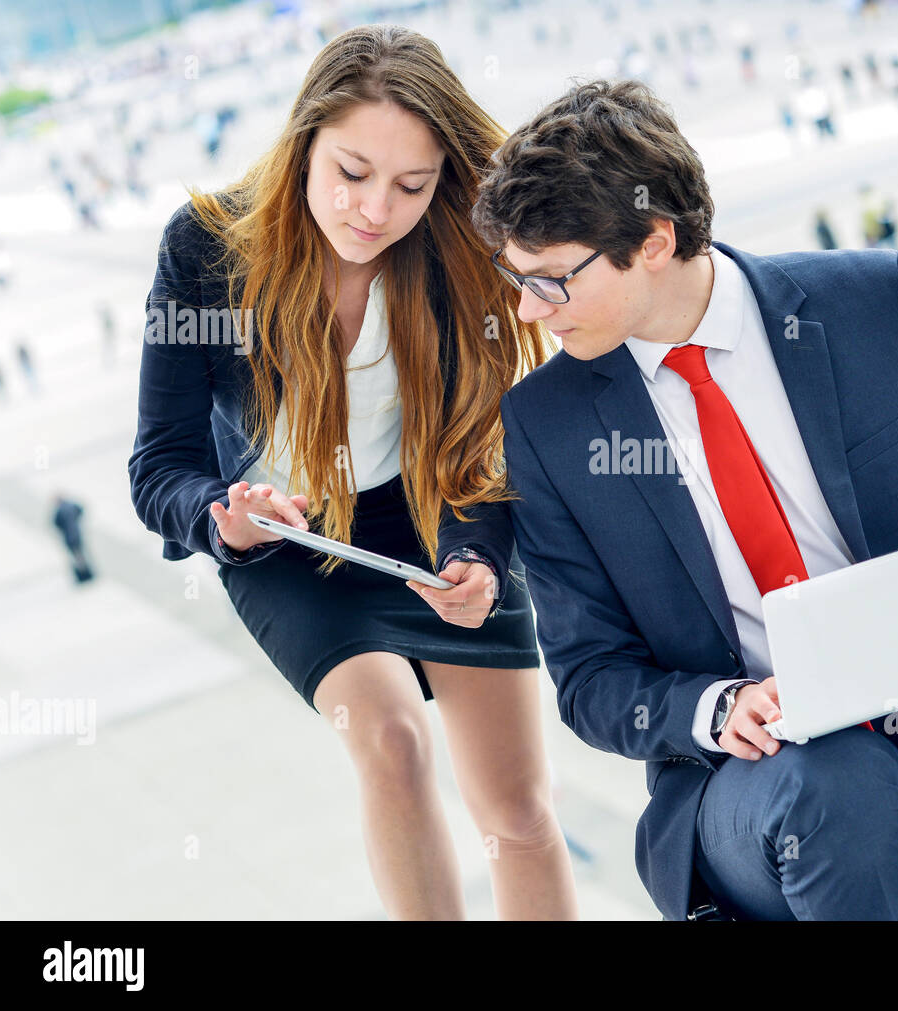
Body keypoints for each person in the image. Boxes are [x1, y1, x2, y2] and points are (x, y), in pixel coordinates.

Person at [472, 80, 898, 921]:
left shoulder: (874, 303)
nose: (530, 311)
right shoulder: (548, 425)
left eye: (552, 280)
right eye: (516, 278)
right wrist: (720, 708)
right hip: (749, 773)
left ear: (652, 241)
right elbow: (591, 678)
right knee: (838, 788)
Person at [128, 25, 577, 921]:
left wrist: (479, 558)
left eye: (412, 186)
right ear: (303, 144)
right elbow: (158, 466)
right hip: (288, 541)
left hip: (434, 521)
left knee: (519, 813)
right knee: (392, 739)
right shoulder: (207, 251)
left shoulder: (454, 257)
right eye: (351, 173)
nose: (374, 210)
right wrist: (224, 515)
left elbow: (470, 457)